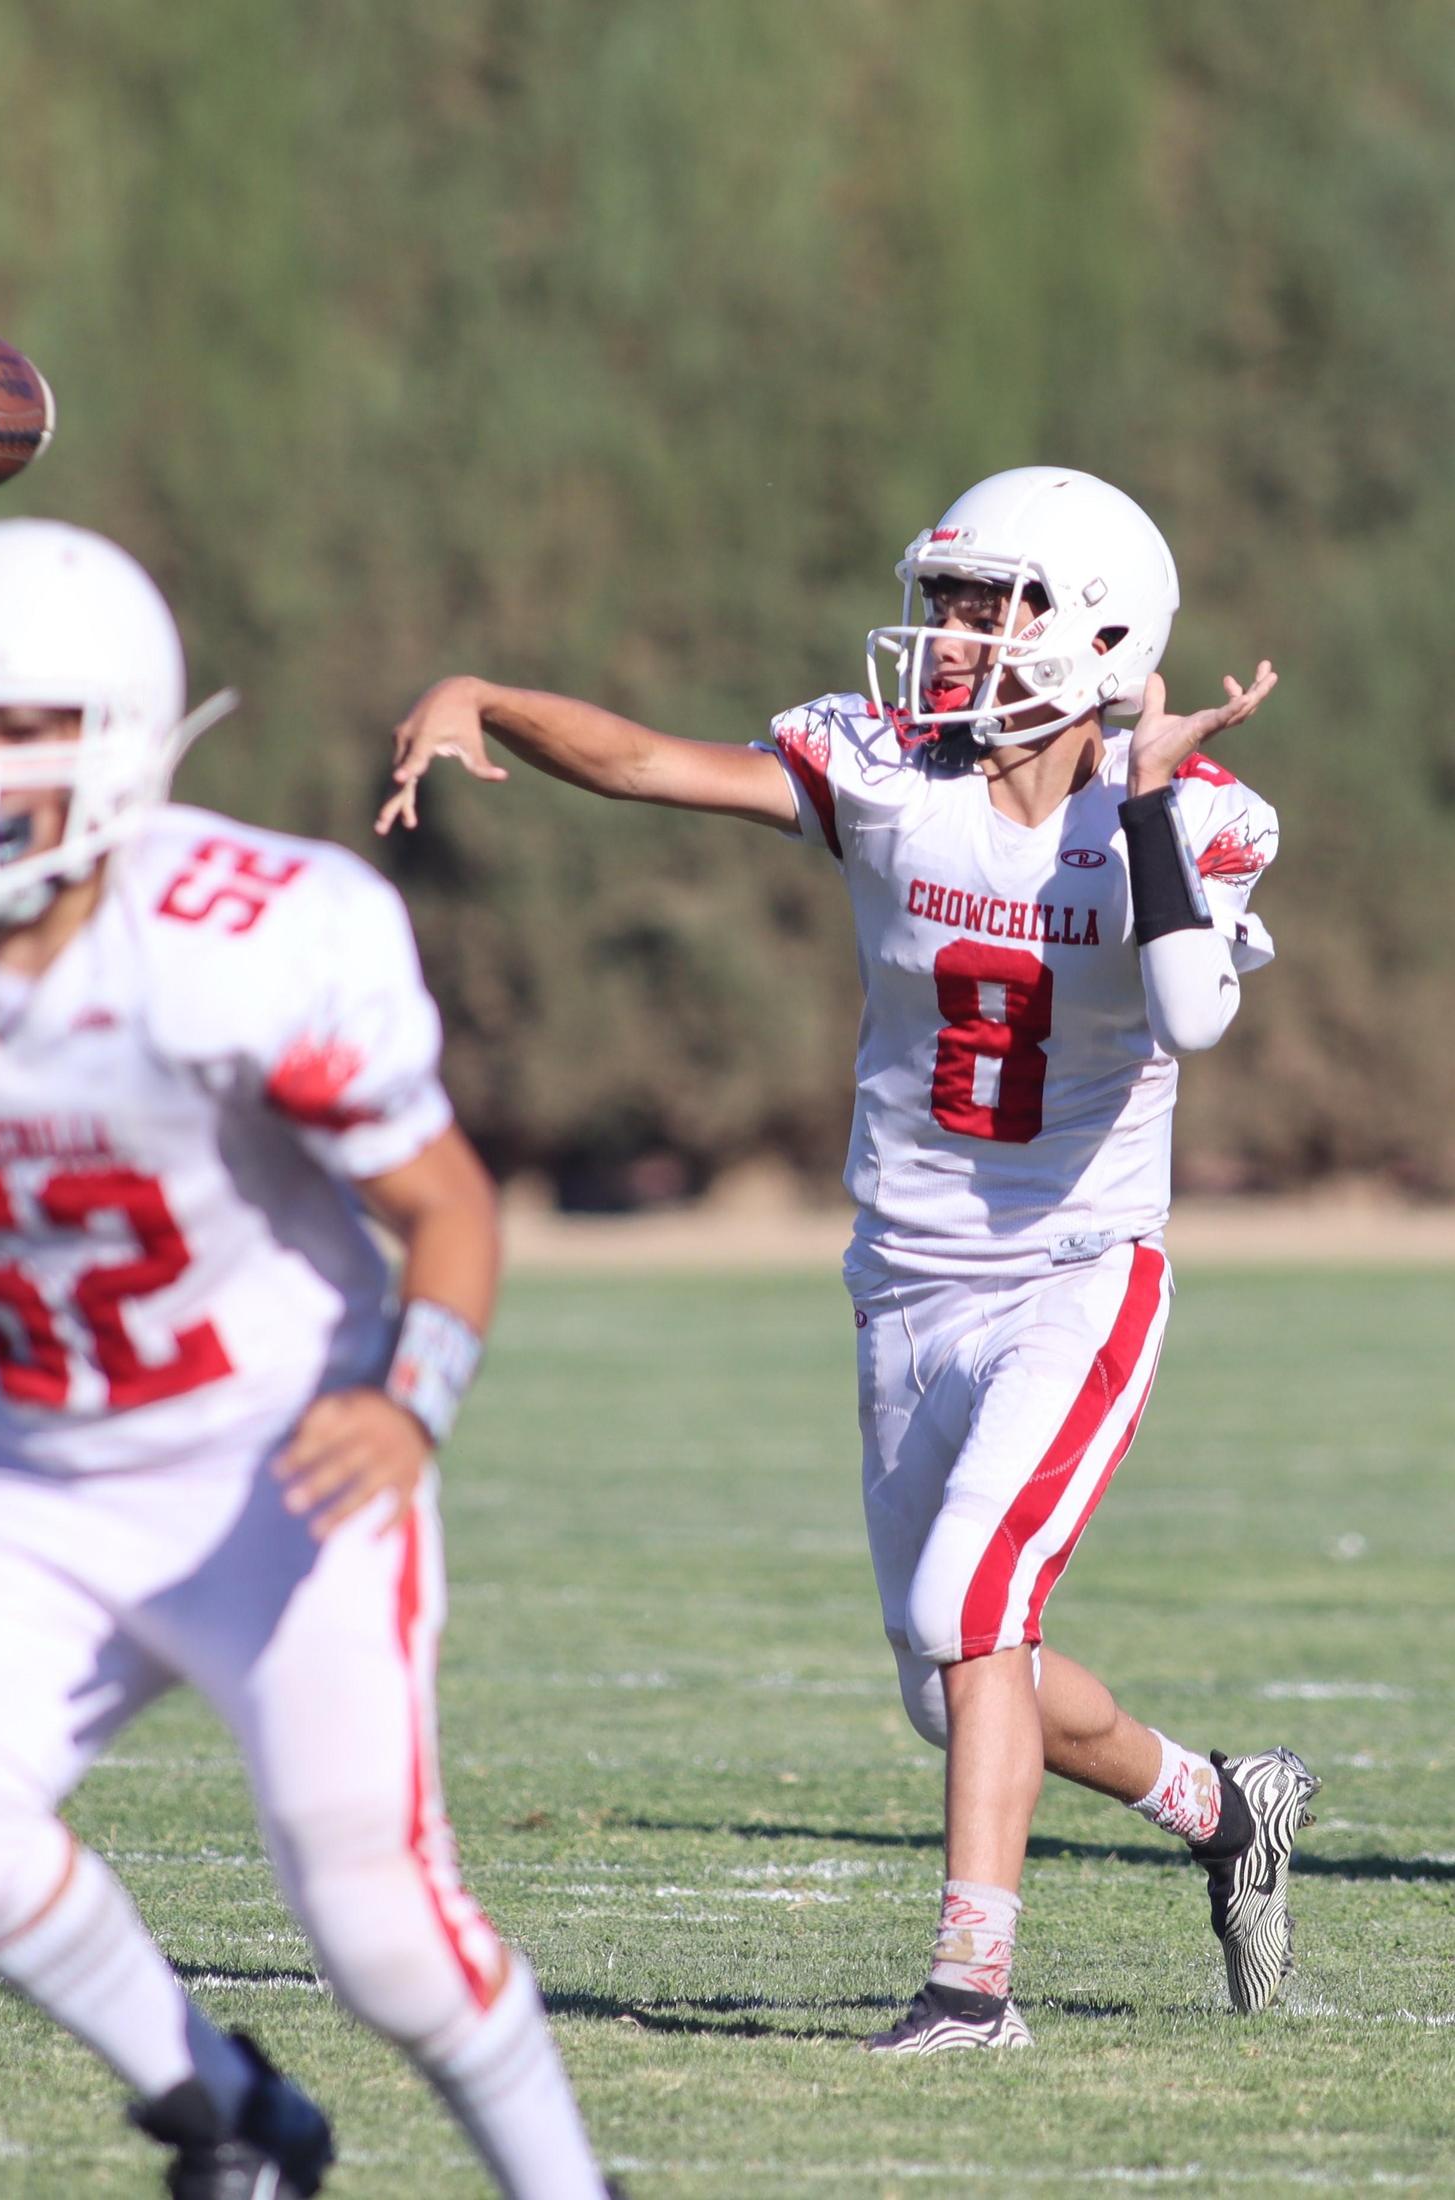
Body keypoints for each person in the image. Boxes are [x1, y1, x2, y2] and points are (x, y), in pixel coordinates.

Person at [378, 466, 1318, 2053]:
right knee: (951, 1681)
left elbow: (1192, 1016)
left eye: (986, 606)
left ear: (1098, 630)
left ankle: (971, 1994)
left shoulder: (1195, 816)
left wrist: (1147, 799)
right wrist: (483, 696)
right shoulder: (884, 767)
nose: (946, 638)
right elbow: (646, 763)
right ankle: (1225, 1810)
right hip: (902, 1273)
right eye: (944, 602)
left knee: (974, 1600)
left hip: (1076, 1273)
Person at [0, 517, 620, 2197]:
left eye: (24, 728)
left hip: (283, 1474)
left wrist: (411, 1403)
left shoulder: (253, 937)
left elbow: (447, 1206)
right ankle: (227, 2108)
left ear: (126, 742)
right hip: (53, 1484)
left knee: (384, 1936)